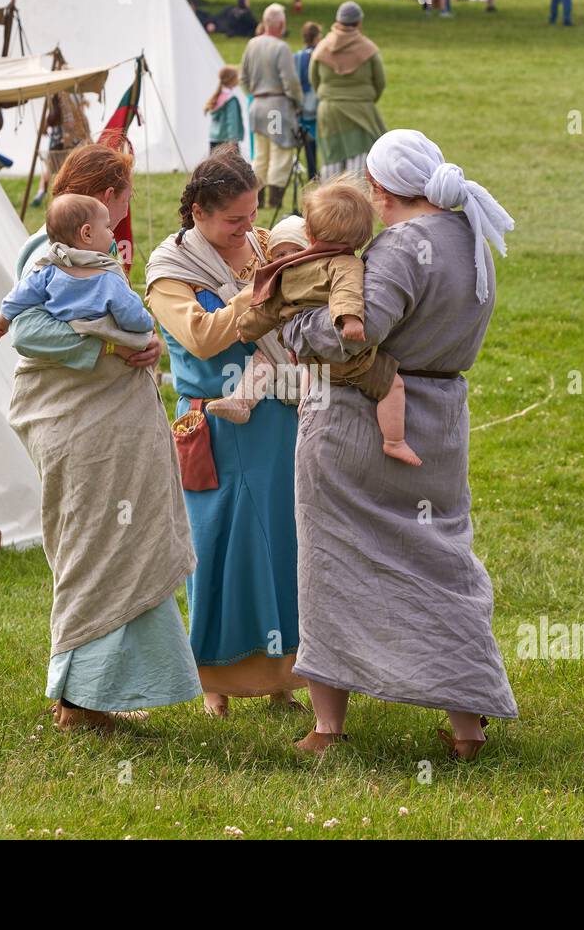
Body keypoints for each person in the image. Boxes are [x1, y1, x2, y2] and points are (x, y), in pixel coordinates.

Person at [280, 129, 518, 760]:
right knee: (442, 563)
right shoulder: (471, 237)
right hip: (439, 421)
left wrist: (294, 322)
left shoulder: (402, 248)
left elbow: (351, 337)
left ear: (381, 190)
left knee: (330, 564)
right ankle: (467, 729)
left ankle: (328, 728)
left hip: (359, 424)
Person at [5, 151, 199, 736]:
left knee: (125, 545)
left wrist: (151, 347)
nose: (129, 205)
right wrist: (112, 349)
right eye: (128, 191)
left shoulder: (90, 249)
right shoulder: (54, 250)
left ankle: (105, 691)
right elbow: (27, 330)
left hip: (115, 420)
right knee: (94, 548)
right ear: (108, 194)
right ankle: (77, 701)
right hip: (78, 422)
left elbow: (126, 320)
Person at [144, 147, 305, 716]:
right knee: (218, 546)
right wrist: (257, 286)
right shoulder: (169, 271)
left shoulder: (262, 244)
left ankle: (283, 675)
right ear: (198, 214)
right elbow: (204, 339)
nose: (247, 228)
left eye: (253, 214)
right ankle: (216, 682)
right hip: (211, 422)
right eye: (235, 219)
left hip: (275, 414)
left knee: (281, 542)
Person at [228, 180, 421, 465]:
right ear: (361, 238)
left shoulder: (288, 270)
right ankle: (394, 441)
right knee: (393, 386)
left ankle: (306, 403)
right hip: (351, 365)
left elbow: (270, 308)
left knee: (308, 370)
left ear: (309, 232)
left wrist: (247, 328)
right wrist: (350, 319)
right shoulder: (346, 264)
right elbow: (346, 292)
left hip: (309, 358)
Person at [0, 195, 152, 349]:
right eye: (107, 227)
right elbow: (131, 316)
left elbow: (20, 295)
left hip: (62, 345)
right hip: (101, 344)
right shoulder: (108, 278)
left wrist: (3, 320)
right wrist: (148, 324)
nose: (111, 233)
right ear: (87, 234)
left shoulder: (47, 271)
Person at [311, 2, 387, 179]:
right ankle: (356, 202)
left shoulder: (321, 48)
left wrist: (328, 97)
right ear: (359, 22)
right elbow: (380, 82)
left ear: (337, 21)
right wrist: (365, 99)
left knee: (331, 160)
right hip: (361, 109)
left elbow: (314, 79)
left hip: (329, 110)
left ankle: (328, 203)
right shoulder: (368, 49)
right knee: (358, 160)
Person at [240, 3, 303, 212]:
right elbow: (290, 81)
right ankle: (274, 201)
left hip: (257, 105)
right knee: (280, 153)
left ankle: (258, 198)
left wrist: (255, 91)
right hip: (276, 108)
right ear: (281, 24)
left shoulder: (252, 44)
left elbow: (244, 77)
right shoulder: (281, 48)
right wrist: (297, 101)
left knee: (260, 153)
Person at [293, 21, 322, 179]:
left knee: (307, 140)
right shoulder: (321, 55)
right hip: (317, 102)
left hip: (302, 103)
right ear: (317, 37)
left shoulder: (296, 56)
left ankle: (312, 172)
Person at [206, 66, 245, 151]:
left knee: (215, 164)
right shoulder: (231, 100)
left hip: (214, 139)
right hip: (227, 141)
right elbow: (232, 122)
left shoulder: (217, 96)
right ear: (231, 80)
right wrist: (233, 141)